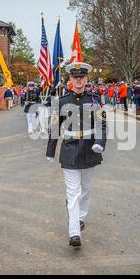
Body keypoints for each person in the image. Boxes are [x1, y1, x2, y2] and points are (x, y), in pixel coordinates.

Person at [46, 62, 107, 247]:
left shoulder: (95, 100)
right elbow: (54, 128)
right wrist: (50, 151)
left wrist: (99, 143)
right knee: (73, 192)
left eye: (81, 77)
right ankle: (74, 233)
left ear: (86, 78)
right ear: (70, 79)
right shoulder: (62, 102)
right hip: (70, 148)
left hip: (90, 148)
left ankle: (80, 217)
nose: (78, 80)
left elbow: (102, 125)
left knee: (85, 189)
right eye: (75, 77)